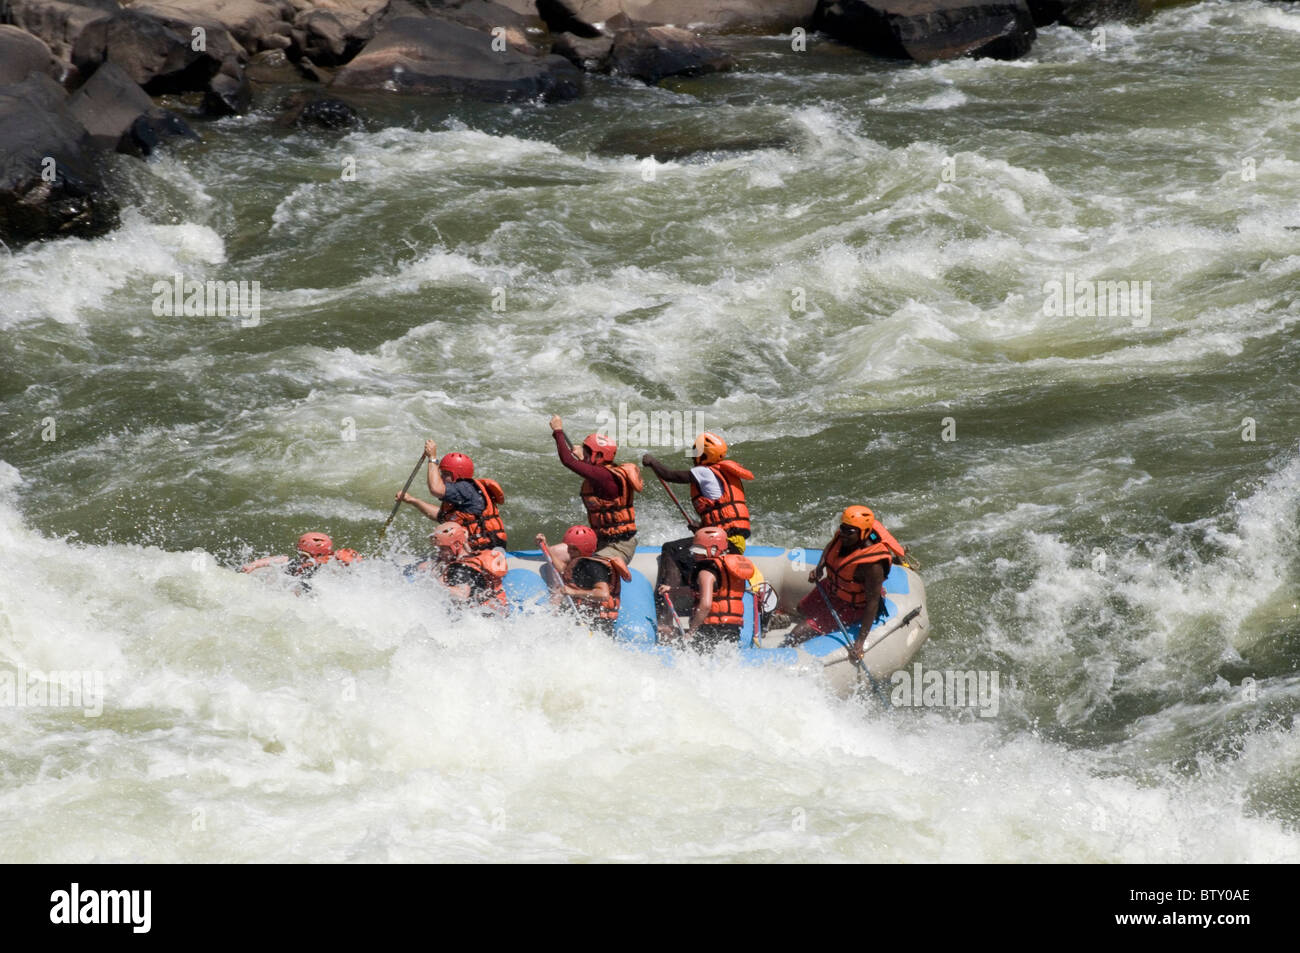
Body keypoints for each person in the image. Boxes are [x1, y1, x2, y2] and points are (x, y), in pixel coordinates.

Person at [642, 431, 753, 629]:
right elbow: (723, 516)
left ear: (704, 455)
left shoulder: (704, 471)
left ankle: (665, 621)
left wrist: (652, 462)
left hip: (723, 545)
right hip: (735, 543)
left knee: (671, 549)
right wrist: (702, 528)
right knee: (690, 548)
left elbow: (670, 475)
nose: (693, 456)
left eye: (696, 452)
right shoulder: (724, 473)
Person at [785, 506, 906, 661]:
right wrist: (820, 567)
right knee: (802, 609)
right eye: (842, 528)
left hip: (854, 605)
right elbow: (830, 547)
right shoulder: (843, 537)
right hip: (834, 587)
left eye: (849, 531)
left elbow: (872, 603)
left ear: (863, 533)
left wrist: (860, 642)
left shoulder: (872, 565)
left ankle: (790, 651)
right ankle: (821, 627)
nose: (843, 533)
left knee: (797, 634)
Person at [547, 416, 641, 566]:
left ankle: (610, 568)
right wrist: (584, 458)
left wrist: (558, 431)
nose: (584, 452)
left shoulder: (605, 476)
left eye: (587, 451)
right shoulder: (603, 473)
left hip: (619, 546)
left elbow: (568, 461)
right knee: (551, 552)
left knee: (584, 568)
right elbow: (591, 470)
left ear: (598, 455)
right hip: (601, 542)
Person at [394, 439, 506, 550]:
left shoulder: (465, 488)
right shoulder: (461, 494)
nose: (441, 478)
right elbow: (441, 515)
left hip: (486, 551)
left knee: (445, 533)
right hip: (475, 550)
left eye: (445, 474)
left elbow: (435, 489)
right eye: (441, 474)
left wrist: (432, 458)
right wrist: (413, 500)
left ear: (457, 475)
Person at [659, 526, 757, 650]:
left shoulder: (705, 573)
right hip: (732, 629)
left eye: (699, 551)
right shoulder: (731, 570)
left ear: (713, 549)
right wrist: (672, 590)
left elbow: (705, 605)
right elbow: (704, 592)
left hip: (710, 629)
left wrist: (691, 631)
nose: (694, 554)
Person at [538, 525, 631, 635]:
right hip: (584, 620)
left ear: (584, 548)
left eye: (573, 548)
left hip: (598, 626)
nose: (569, 551)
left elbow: (603, 594)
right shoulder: (580, 563)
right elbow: (563, 570)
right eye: (568, 547)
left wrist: (574, 592)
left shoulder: (594, 566)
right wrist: (545, 546)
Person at [414, 522, 508, 613]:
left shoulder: (458, 568)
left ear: (456, 545)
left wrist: (436, 585)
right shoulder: (478, 557)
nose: (439, 553)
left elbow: (462, 594)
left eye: (442, 549)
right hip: (499, 614)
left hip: (477, 620)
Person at [239, 532, 361, 580]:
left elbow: (279, 559)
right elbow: (276, 559)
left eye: (303, 554)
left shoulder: (328, 566)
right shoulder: (332, 561)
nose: (301, 557)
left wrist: (253, 565)